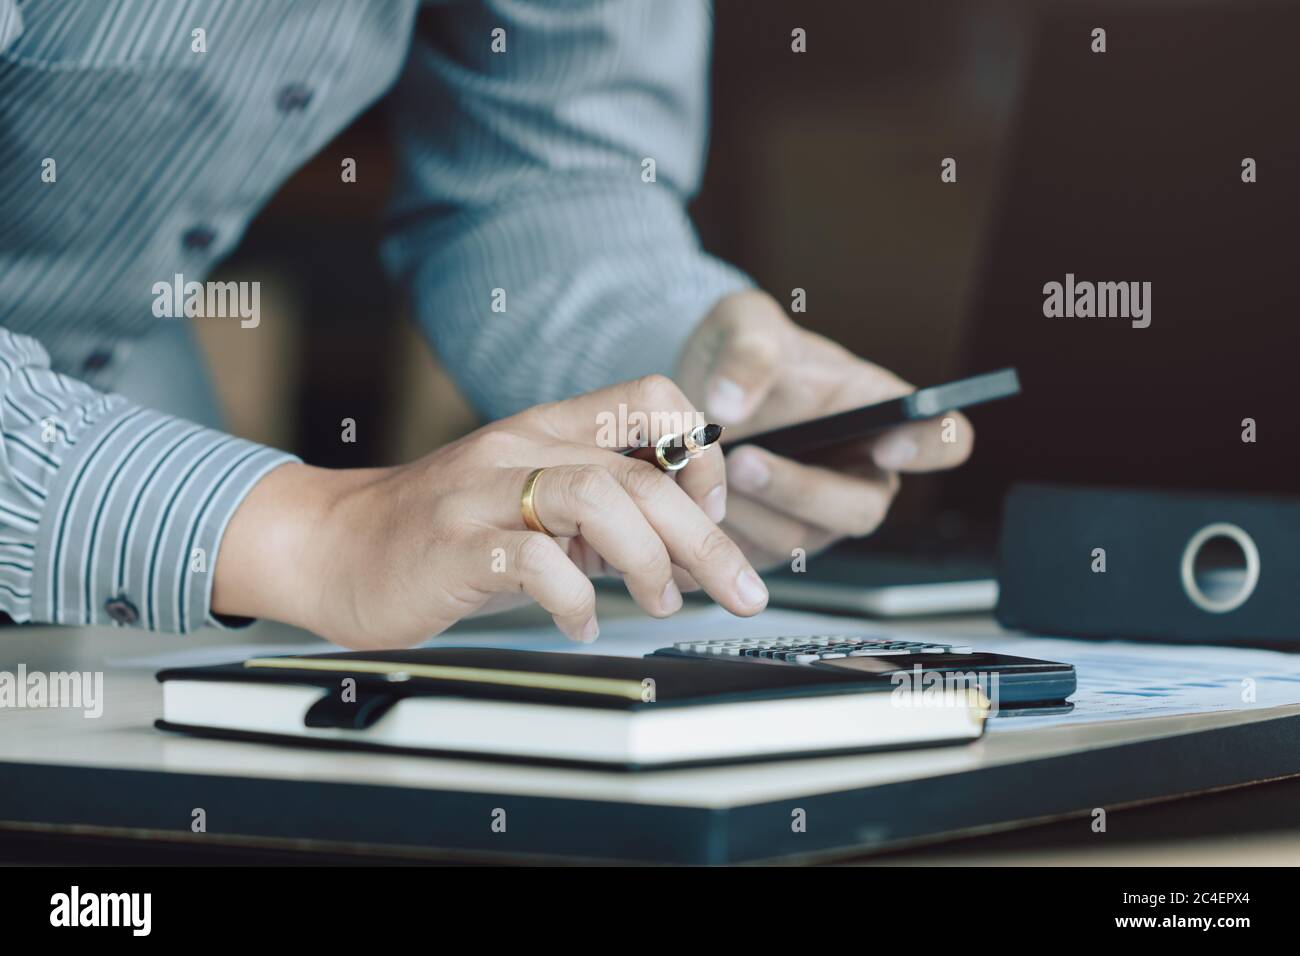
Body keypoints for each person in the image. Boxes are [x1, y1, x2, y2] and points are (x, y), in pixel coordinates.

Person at [0, 0, 971, 648]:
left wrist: (688, 381)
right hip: (158, 505)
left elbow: (540, 169)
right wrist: (318, 533)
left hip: (121, 500)